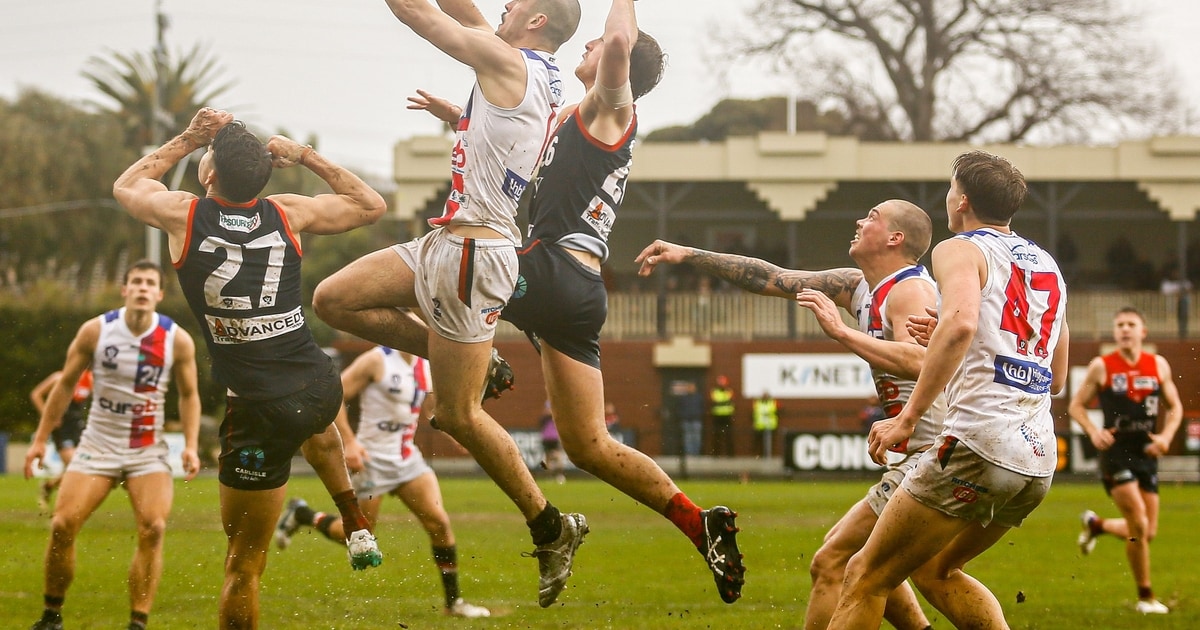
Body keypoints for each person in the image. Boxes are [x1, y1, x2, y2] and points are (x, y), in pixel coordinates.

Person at [405, 0, 745, 605]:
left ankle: (482, 376)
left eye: (597, 47)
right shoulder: (573, 112)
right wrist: (458, 113)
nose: (588, 48)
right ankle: (700, 523)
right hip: (579, 293)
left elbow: (617, 41)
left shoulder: (615, 105)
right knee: (590, 445)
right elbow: (518, 131)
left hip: (547, 267)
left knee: (430, 274)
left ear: (619, 65)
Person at [310, 0, 588, 608]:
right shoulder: (530, 67)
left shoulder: (508, 59)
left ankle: (550, 524)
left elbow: (418, 12)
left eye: (517, 1)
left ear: (536, 20)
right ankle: (474, 358)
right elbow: (463, 10)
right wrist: (455, 113)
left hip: (474, 254)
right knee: (333, 298)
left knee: (457, 415)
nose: (504, 3)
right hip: (447, 240)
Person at [112, 107, 388, 628]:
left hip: (258, 409)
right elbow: (371, 204)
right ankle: (352, 515)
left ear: (210, 172)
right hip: (319, 382)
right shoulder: (288, 212)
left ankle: (347, 514)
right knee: (314, 421)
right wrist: (304, 155)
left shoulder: (182, 214)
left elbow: (127, 185)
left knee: (243, 565)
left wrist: (188, 138)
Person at [636, 197, 942, 630]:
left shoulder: (911, 289)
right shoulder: (859, 287)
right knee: (878, 567)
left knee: (831, 562)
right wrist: (689, 254)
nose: (859, 219)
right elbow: (771, 277)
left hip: (932, 458)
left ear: (895, 238)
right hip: (918, 457)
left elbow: (920, 361)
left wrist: (840, 333)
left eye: (871, 216)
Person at [827, 150, 1070, 628]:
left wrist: (907, 418)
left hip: (978, 443)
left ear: (961, 200)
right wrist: (958, 329)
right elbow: (1056, 375)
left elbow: (959, 328)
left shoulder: (958, 247)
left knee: (865, 573)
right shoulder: (1047, 263)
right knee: (938, 571)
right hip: (1038, 460)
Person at [24, 260, 201, 630]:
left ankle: (137, 622)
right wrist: (40, 440)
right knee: (61, 525)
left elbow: (189, 395)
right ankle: (51, 616)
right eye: (135, 281)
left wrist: (191, 444)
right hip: (98, 444)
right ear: (124, 290)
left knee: (154, 527)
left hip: (147, 449)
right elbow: (64, 386)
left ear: (159, 293)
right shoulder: (96, 330)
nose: (142, 288)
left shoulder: (176, 339)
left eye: (149, 283)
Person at [274, 345, 491, 618]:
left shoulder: (425, 364)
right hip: (371, 461)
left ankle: (454, 603)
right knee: (356, 536)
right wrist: (350, 442)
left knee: (439, 524)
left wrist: (458, 435)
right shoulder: (377, 360)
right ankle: (303, 514)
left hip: (407, 460)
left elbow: (433, 411)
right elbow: (334, 396)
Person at [1069, 307, 1181, 614]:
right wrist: (1093, 431)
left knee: (1147, 531)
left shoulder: (1158, 365)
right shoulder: (1101, 366)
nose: (1125, 329)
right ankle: (1146, 597)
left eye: (1131, 324)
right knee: (1139, 525)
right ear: (1115, 332)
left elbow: (1175, 407)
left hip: (1146, 453)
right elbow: (1076, 405)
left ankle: (1096, 525)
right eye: (1120, 325)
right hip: (1115, 454)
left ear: (1143, 331)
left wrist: (1167, 437)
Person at [29, 368, 94, 510]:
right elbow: (36, 394)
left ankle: (49, 486)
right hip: (61, 428)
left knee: (80, 466)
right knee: (74, 464)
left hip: (77, 426)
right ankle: (66, 506)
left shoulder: (90, 380)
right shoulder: (58, 377)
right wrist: (48, 416)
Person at [709, 375, 735, 458]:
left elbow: (730, 402)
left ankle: (730, 455)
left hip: (727, 416)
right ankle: (716, 455)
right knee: (717, 436)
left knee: (728, 436)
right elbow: (714, 401)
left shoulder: (729, 391)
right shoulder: (714, 392)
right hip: (717, 416)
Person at [751, 391, 778, 458]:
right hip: (760, 425)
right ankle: (760, 456)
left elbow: (775, 413)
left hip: (769, 425)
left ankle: (767, 456)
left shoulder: (772, 403)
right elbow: (755, 414)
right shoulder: (758, 403)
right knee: (759, 443)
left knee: (768, 443)